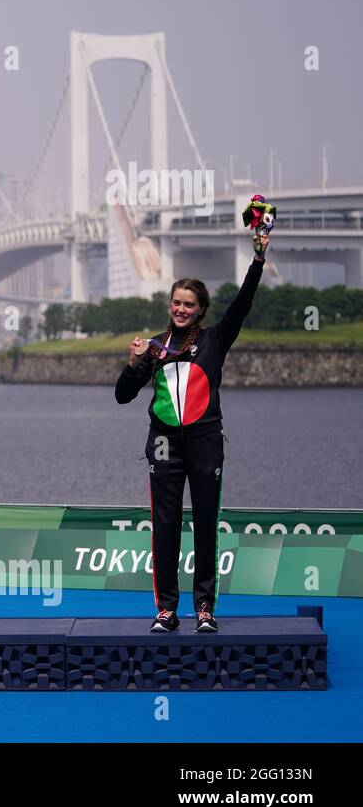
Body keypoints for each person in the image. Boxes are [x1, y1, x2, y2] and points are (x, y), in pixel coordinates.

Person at [115, 229, 271, 634]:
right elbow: (122, 396)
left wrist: (257, 260)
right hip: (164, 444)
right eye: (176, 303)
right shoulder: (153, 348)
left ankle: (204, 609)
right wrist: (132, 365)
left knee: (205, 523)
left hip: (204, 441)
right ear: (169, 305)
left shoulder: (216, 339)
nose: (181, 309)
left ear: (201, 310)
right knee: (165, 525)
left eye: (189, 304)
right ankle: (166, 610)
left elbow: (243, 304)